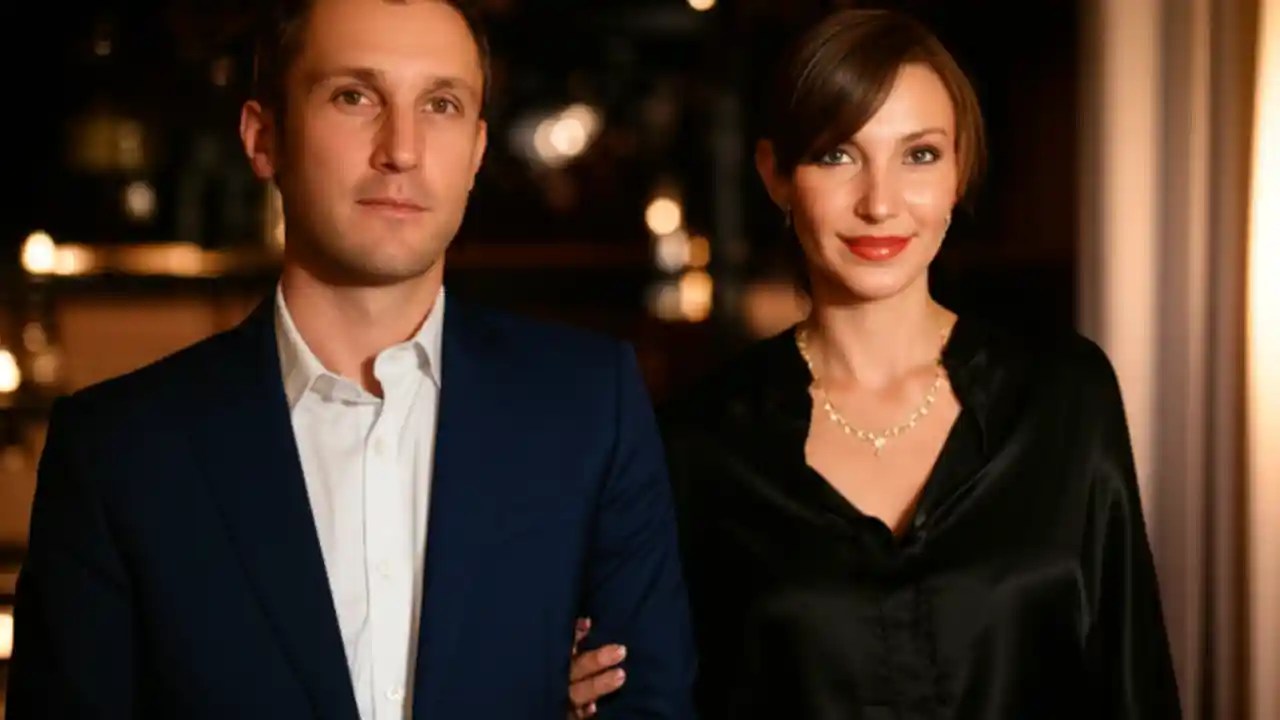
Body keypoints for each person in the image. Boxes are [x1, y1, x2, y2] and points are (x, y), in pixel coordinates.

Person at [6, 0, 697, 717]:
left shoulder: (588, 408)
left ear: (477, 151)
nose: (401, 148)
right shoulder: (119, 451)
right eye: (354, 96)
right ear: (263, 138)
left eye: (441, 103)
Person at [568, 7, 1182, 719]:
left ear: (960, 170)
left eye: (919, 154)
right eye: (837, 154)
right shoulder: (697, 444)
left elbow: (1133, 681)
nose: (881, 202)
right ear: (776, 175)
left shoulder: (1065, 398)